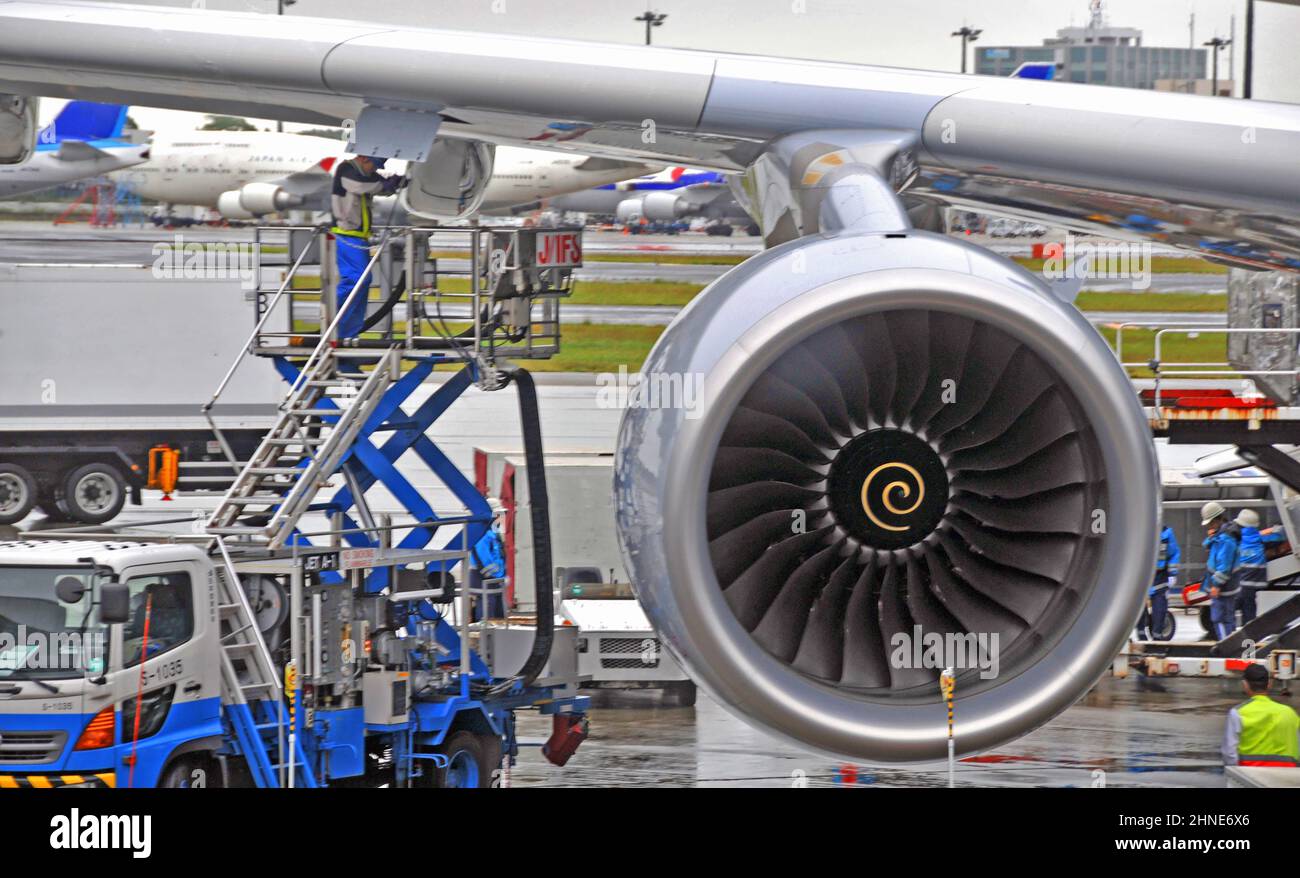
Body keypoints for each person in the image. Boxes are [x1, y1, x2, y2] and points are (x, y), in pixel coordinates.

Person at [329, 155, 402, 339]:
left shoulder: (364, 175)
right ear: (362, 158)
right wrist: (386, 184)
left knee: (363, 281)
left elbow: (376, 185)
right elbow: (361, 185)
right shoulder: (346, 170)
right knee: (356, 280)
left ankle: (349, 333)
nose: (374, 170)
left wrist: (395, 184)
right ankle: (333, 320)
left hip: (358, 238)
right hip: (346, 235)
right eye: (373, 165)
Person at [1222, 663, 1299, 768]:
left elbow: (1229, 754)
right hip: (1286, 778)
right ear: (1269, 684)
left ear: (1245, 685)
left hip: (1249, 777)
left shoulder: (1237, 713)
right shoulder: (1290, 713)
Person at [1234, 508, 1284, 626]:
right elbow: (1278, 538)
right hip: (1254, 582)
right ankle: (1250, 638)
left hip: (1239, 582)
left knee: (1234, 609)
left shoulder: (1238, 540)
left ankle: (1232, 639)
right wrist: (1275, 529)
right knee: (1250, 613)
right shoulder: (1260, 538)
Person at [1200, 501, 1241, 641]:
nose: (1209, 526)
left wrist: (1216, 585)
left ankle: (1226, 646)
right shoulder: (1223, 535)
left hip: (1223, 588)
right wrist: (1210, 538)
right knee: (1227, 618)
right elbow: (1209, 545)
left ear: (1217, 520)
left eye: (1210, 523)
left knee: (1220, 618)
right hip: (1226, 587)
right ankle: (1231, 644)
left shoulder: (1226, 540)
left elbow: (1224, 566)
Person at [1137, 523, 1180, 641]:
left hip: (1159, 576)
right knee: (1138, 608)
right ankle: (1141, 636)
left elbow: (1174, 553)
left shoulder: (1166, 534)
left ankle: (1157, 637)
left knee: (1160, 608)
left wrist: (1172, 573)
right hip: (1142, 576)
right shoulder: (1137, 533)